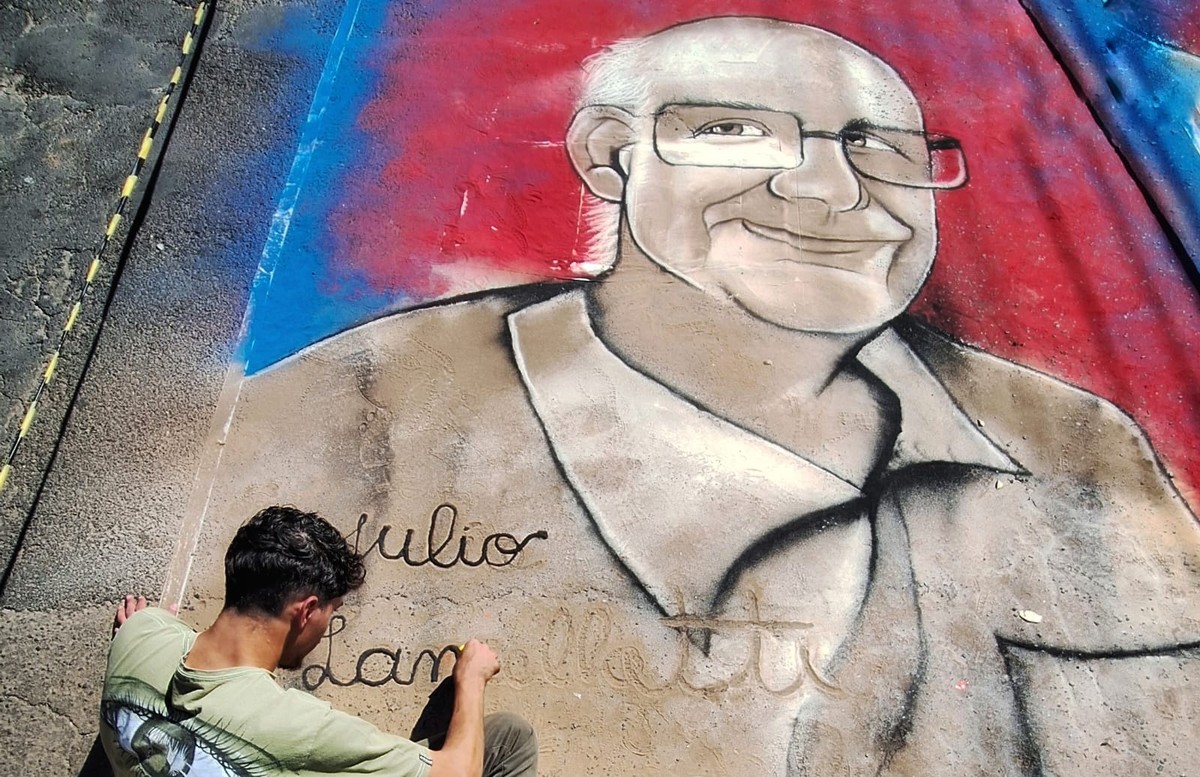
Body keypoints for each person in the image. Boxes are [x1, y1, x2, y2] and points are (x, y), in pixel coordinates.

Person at [195, 16, 1200, 775]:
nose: (832, 191)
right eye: (738, 130)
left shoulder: (1070, 440)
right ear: (607, 155)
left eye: (881, 149)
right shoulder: (353, 408)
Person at [100, 505, 538, 777]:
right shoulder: (295, 728)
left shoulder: (140, 638)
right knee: (507, 738)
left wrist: (143, 629)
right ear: (306, 611)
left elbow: (152, 632)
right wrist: (472, 679)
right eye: (332, 612)